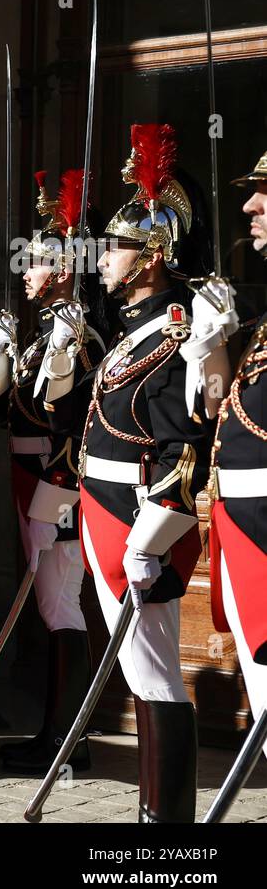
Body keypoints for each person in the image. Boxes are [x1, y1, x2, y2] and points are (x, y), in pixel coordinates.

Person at [46, 123, 211, 821]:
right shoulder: (132, 329)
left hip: (137, 524)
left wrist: (149, 542)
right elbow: (64, 405)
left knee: (156, 672)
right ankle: (153, 813)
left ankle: (164, 823)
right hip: (106, 512)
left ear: (148, 259)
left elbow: (180, 453)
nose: (102, 257)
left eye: (113, 248)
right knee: (140, 671)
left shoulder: (176, 336)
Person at [0, 170, 105, 773]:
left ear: (59, 269)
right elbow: (5, 407)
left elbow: (61, 412)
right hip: (29, 478)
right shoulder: (43, 334)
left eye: (32, 265)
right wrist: (4, 354)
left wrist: (52, 350)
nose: (23, 274)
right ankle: (58, 733)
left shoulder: (75, 336)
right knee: (52, 607)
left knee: (61, 606)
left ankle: (65, 739)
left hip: (57, 483)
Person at [200, 144, 267, 760]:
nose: (249, 204)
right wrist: (214, 346)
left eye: (265, 193)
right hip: (241, 520)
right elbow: (217, 405)